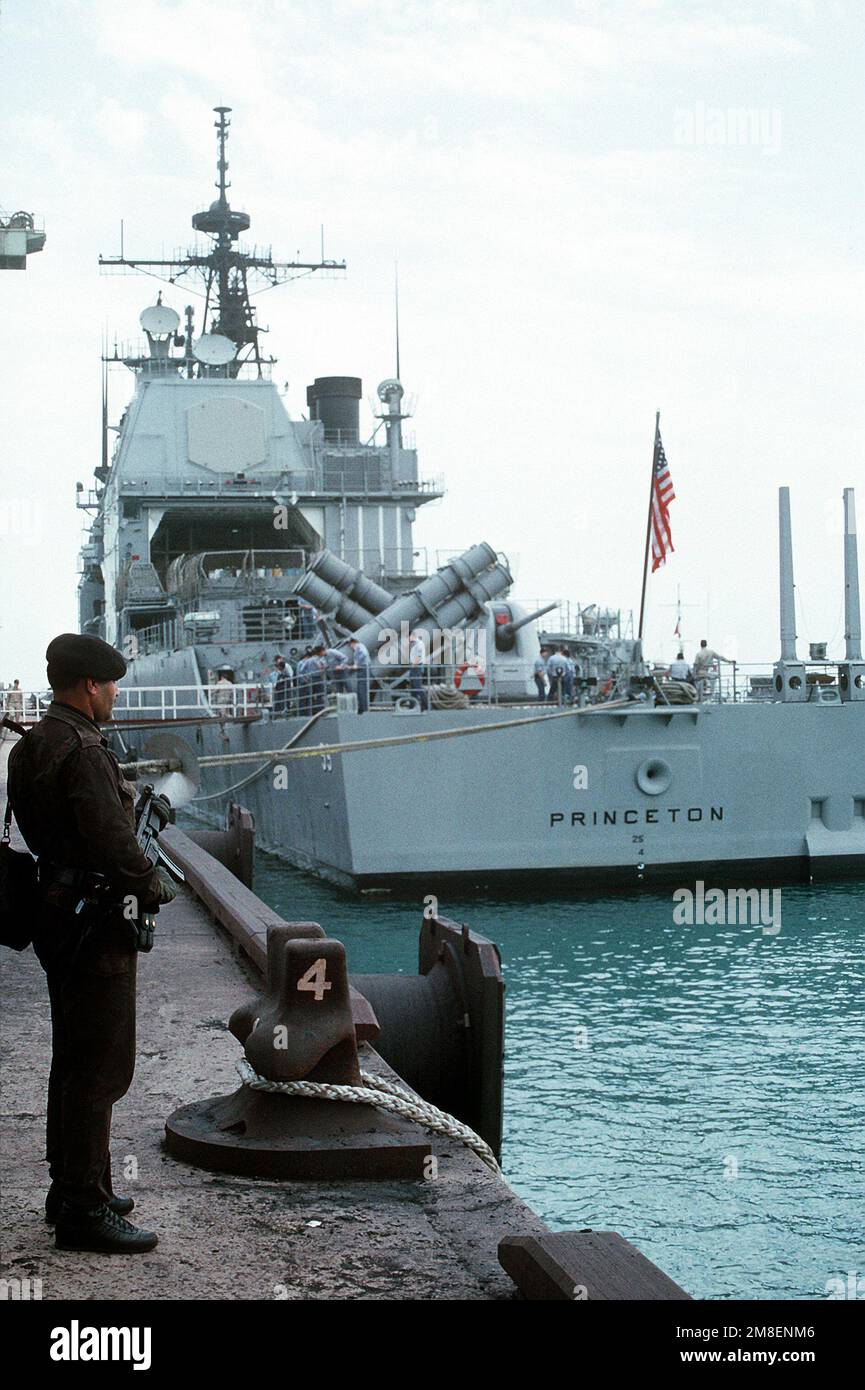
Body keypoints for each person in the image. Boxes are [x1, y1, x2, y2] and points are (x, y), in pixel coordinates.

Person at [6, 633, 176, 1254]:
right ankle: (83, 1211)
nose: (113, 696)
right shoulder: (84, 750)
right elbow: (113, 842)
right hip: (96, 923)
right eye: (110, 687)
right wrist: (151, 882)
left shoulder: (32, 747)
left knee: (72, 1058)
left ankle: (78, 1186)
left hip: (55, 913)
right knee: (101, 1068)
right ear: (88, 686)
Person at [347, 637, 371, 714]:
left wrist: (357, 664)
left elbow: (364, 654)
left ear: (352, 643)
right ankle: (363, 707)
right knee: (361, 689)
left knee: (362, 690)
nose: (350, 647)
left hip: (363, 669)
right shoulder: (360, 646)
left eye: (350, 645)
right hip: (362, 669)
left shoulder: (358, 646)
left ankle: (363, 708)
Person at [408, 630, 428, 711]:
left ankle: (426, 705)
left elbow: (419, 657)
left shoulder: (419, 644)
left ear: (413, 636)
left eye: (408, 637)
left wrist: (413, 665)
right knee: (413, 688)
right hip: (414, 667)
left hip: (416, 667)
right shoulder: (414, 644)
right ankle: (412, 706)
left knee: (417, 687)